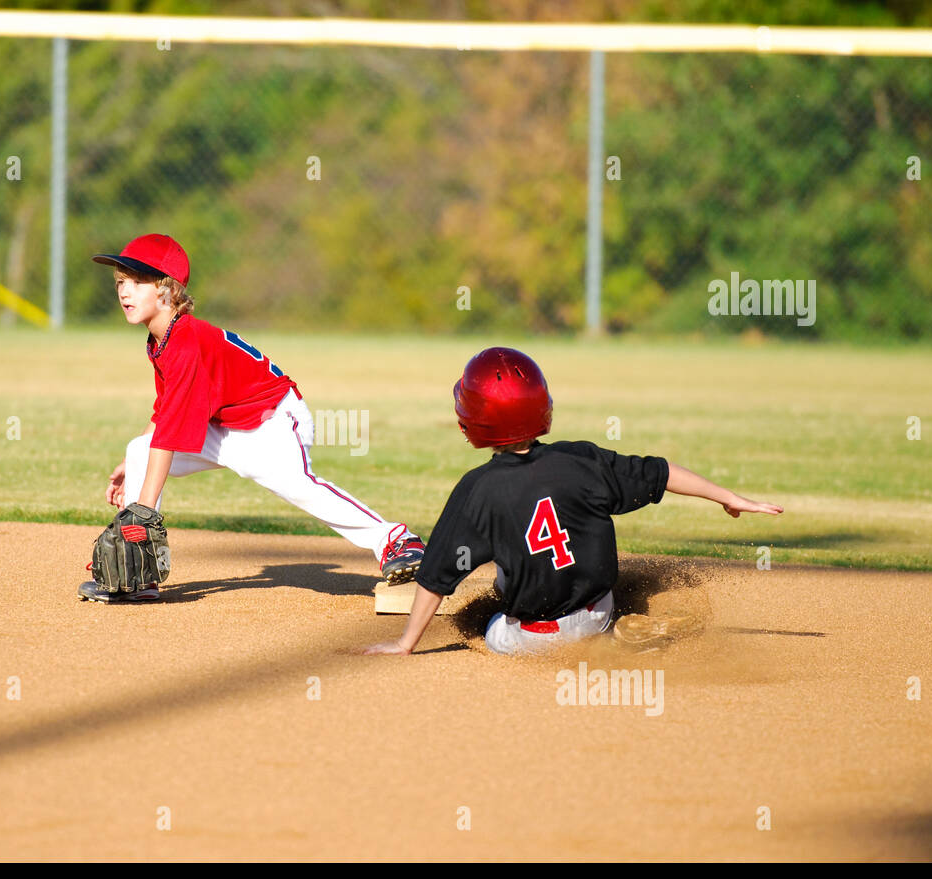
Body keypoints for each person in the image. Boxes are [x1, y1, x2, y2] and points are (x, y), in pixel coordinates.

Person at [363, 347, 783, 655]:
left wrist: (405, 643)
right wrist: (728, 497)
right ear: (542, 406)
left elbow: (435, 579)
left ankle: (539, 632)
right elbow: (662, 472)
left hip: (534, 639)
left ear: (471, 422)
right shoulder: (581, 459)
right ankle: (615, 630)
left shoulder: (478, 488)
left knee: (483, 620)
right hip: (598, 611)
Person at [80, 233, 424, 603]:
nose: (124, 292)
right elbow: (164, 409)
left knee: (297, 486)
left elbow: (172, 433)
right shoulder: (161, 339)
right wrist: (133, 463)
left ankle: (398, 541)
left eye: (136, 281)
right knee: (140, 450)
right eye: (120, 282)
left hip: (273, 418)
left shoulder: (185, 341)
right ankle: (138, 578)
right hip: (227, 426)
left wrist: (143, 511)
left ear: (167, 290)